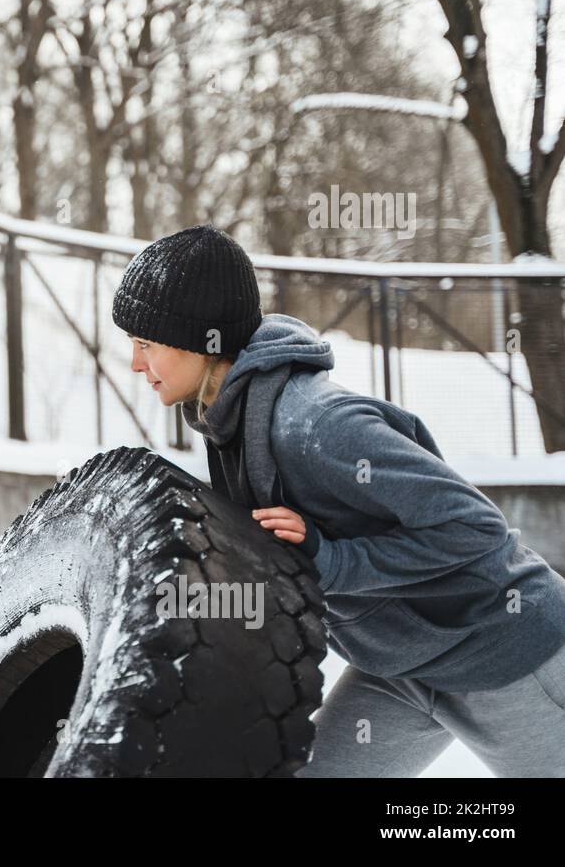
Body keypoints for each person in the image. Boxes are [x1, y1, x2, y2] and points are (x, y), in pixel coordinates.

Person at [110, 222, 565, 777]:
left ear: (200, 339)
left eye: (146, 344)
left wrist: (334, 560)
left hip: (506, 651)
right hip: (399, 663)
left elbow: (474, 530)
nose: (136, 364)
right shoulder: (231, 424)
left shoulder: (314, 424)